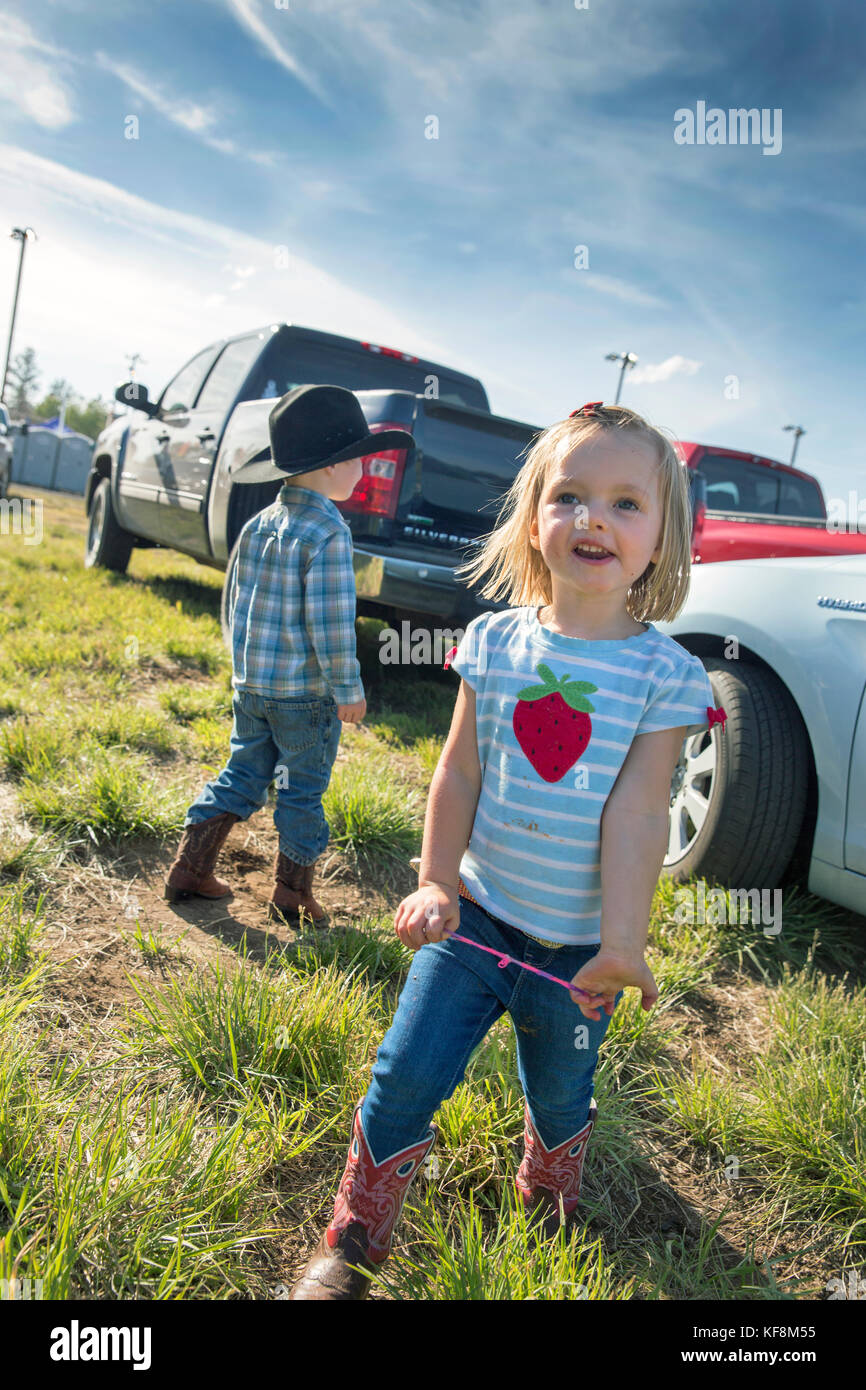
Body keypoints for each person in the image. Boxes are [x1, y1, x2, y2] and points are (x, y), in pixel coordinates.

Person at [289, 401, 721, 1299]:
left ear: (663, 537)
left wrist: (622, 946)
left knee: (561, 1094)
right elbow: (457, 772)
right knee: (405, 1072)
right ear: (535, 519)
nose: (592, 519)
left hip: (576, 957)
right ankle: (355, 1239)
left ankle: (547, 1193)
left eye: (625, 504)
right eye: (569, 496)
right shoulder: (492, 641)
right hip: (474, 922)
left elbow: (641, 816)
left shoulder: (666, 676)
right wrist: (437, 882)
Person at [163, 385, 414, 929]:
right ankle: (292, 893)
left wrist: (241, 668)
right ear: (330, 468)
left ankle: (190, 866)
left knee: (242, 773)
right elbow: (330, 624)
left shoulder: (258, 526)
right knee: (303, 789)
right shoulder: (328, 532)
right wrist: (348, 689)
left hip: (252, 687)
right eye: (359, 460)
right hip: (305, 697)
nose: (365, 471)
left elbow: (235, 603)